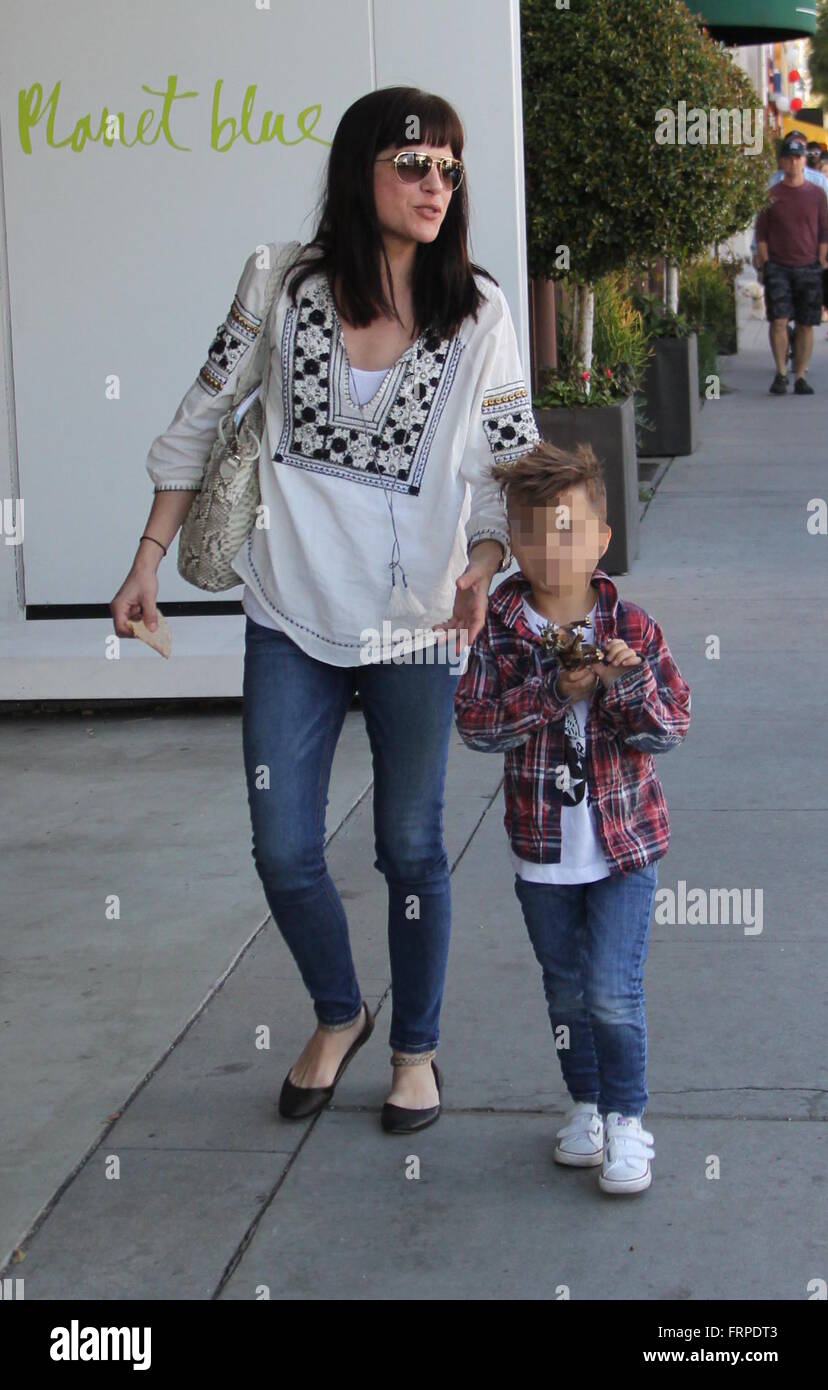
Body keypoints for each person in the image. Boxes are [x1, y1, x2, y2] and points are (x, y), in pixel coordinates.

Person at [109, 86, 540, 1136]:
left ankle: (416, 1049)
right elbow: (199, 419)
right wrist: (145, 561)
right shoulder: (279, 282)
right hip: (288, 611)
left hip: (415, 623)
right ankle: (340, 1010)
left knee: (409, 846)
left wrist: (484, 563)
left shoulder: (480, 312)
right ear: (362, 172)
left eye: (449, 167)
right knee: (284, 845)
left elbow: (504, 465)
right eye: (413, 164)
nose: (437, 184)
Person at [453, 441, 691, 1193]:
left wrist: (616, 686)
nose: (548, 546)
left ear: (600, 539)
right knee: (564, 989)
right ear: (512, 541)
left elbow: (670, 728)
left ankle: (628, 1120)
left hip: (625, 848)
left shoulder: (634, 628)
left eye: (567, 528)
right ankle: (586, 1105)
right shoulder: (499, 628)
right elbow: (475, 725)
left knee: (612, 990)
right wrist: (556, 693)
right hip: (544, 852)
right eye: (530, 530)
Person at [755, 133, 828, 395]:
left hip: (808, 265)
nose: (794, 163)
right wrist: (765, 261)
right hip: (779, 266)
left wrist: (821, 260)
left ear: (804, 161)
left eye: (798, 158)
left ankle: (800, 376)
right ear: (782, 162)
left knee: (807, 323)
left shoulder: (817, 194)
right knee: (778, 320)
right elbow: (761, 232)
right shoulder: (771, 195)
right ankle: (781, 373)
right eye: (789, 158)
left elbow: (824, 230)